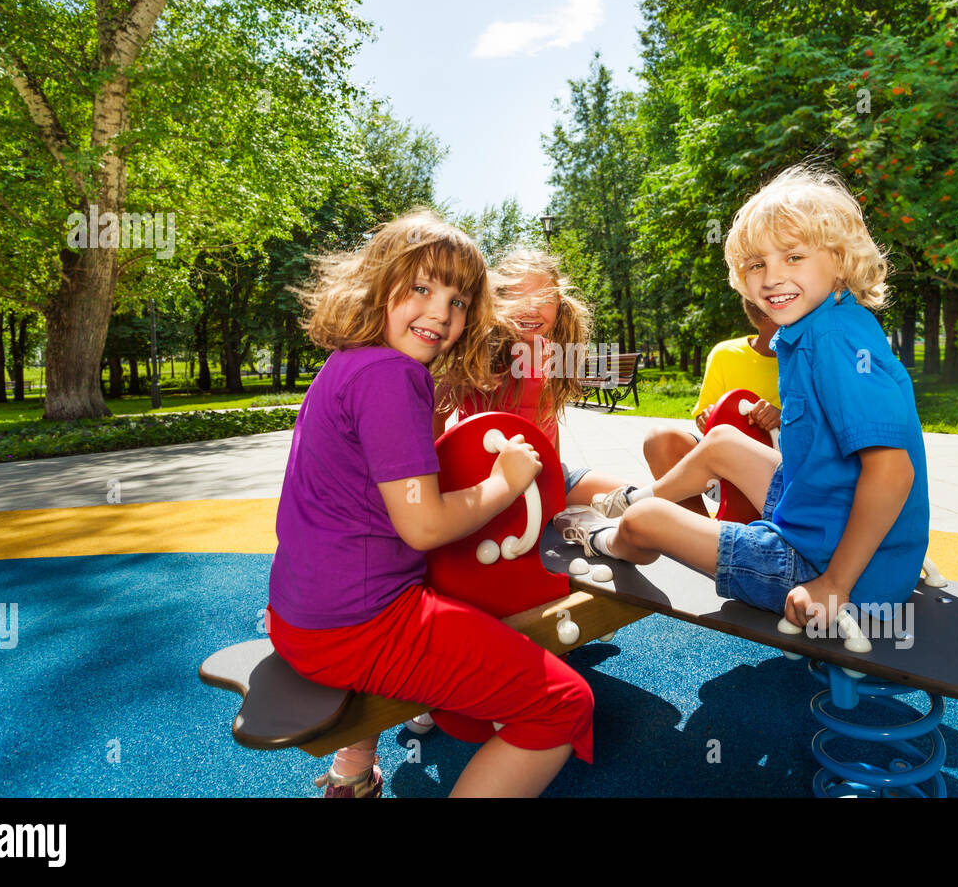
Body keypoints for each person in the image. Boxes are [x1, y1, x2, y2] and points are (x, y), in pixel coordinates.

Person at [267, 211, 593, 798]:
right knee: (564, 703)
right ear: (377, 283)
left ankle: (359, 764)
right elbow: (424, 526)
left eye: (460, 300)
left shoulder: (348, 364)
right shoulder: (392, 377)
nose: (442, 312)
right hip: (359, 626)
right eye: (422, 288)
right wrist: (506, 481)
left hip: (298, 617)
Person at [553, 164, 930, 632]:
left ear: (840, 257)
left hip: (834, 571)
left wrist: (833, 584)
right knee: (724, 442)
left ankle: (611, 535)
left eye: (793, 257)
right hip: (825, 517)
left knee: (651, 520)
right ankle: (633, 498)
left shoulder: (831, 341)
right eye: (757, 264)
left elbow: (892, 470)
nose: (771, 278)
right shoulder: (825, 325)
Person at [436, 246, 629, 512]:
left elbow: (550, 418)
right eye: (518, 298)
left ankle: (600, 534)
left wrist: (555, 494)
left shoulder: (556, 351)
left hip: (545, 477)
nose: (531, 310)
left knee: (632, 496)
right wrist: (435, 480)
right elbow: (436, 408)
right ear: (498, 300)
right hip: (486, 483)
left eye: (543, 299)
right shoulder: (477, 351)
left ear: (559, 302)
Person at [636, 297, 783, 517]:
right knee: (660, 439)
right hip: (721, 469)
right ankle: (699, 529)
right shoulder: (725, 354)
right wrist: (708, 417)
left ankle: (641, 499)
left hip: (779, 469)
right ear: (765, 315)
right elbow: (703, 418)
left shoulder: (809, 357)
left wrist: (781, 417)